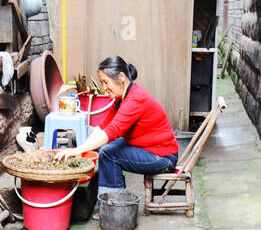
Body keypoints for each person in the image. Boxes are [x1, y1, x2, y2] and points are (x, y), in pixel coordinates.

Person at [55, 56, 179, 195]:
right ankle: (109, 196)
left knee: (109, 153)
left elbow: (111, 131)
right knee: (101, 146)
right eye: (102, 83)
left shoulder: (136, 99)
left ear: (121, 77)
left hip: (163, 158)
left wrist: (76, 151)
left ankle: (115, 201)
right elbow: (103, 127)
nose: (104, 88)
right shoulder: (122, 98)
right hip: (147, 149)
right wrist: (81, 150)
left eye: (106, 82)